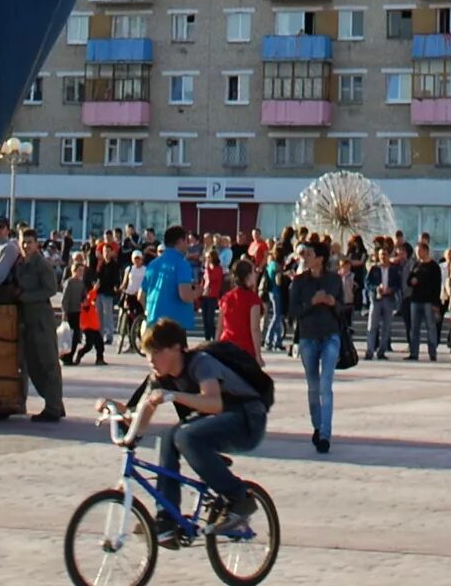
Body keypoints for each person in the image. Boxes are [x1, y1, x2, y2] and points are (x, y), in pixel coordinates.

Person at [131, 318, 266, 547]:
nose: (150, 359)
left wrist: (174, 396)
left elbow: (214, 403)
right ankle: (167, 518)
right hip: (215, 422)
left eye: (156, 352)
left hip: (247, 419)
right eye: (147, 353)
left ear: (176, 348)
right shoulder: (160, 377)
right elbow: (143, 412)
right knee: (167, 436)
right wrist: (126, 430)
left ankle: (239, 497)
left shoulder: (201, 363)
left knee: (185, 436)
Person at [288, 240, 349, 453]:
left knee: (325, 385)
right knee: (313, 386)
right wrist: (311, 303)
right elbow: (292, 312)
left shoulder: (334, 280)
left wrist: (333, 303)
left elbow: (344, 308)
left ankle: (325, 434)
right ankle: (317, 426)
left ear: (320, 259)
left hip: (330, 335)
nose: (305, 257)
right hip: (308, 337)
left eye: (309, 253)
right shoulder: (299, 281)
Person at [139, 226, 201, 338]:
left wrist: (149, 311)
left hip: (154, 322)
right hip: (174, 324)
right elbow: (185, 296)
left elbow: (141, 296)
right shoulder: (182, 264)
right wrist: (197, 292)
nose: (188, 245)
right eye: (186, 241)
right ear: (180, 241)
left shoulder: (153, 264)